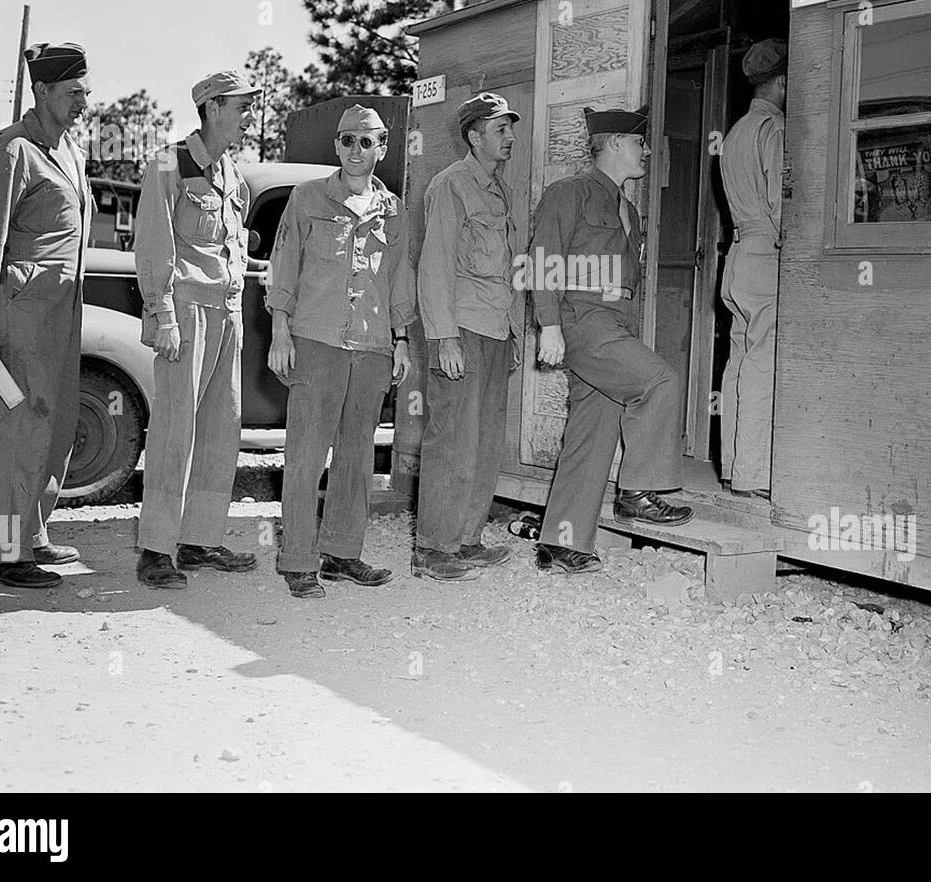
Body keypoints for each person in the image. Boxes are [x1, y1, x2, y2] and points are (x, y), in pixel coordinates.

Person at [0, 44, 93, 588]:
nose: (84, 101)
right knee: (14, 424)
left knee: (52, 426)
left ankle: (31, 533)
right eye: (73, 92)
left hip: (61, 313)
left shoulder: (70, 152)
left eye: (86, 91)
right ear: (43, 92)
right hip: (17, 313)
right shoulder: (13, 150)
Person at [529, 105, 693, 574]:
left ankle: (562, 542)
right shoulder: (569, 194)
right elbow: (542, 259)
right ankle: (637, 492)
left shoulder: (629, 209)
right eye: (640, 143)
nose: (646, 151)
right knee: (659, 380)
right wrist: (551, 325)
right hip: (582, 318)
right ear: (616, 143)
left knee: (593, 427)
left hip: (613, 320)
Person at [265, 105, 415, 599]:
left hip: (371, 345)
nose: (356, 150)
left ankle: (343, 553)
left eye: (366, 141)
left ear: (382, 148)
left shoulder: (392, 210)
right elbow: (284, 264)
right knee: (306, 453)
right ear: (336, 147)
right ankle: (298, 561)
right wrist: (280, 332)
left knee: (357, 455)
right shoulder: (307, 198)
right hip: (316, 340)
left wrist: (400, 341)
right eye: (347, 140)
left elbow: (399, 279)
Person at [133, 70, 259, 589]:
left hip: (227, 309)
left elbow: (236, 248)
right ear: (211, 108)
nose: (249, 117)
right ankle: (156, 549)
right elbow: (154, 243)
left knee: (220, 427)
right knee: (175, 430)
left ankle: (200, 539)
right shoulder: (170, 163)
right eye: (242, 107)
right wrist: (161, 314)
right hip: (185, 311)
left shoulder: (233, 173)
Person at [413, 93, 524, 582]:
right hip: (461, 329)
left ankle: (466, 538)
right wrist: (444, 338)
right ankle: (433, 549)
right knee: (451, 439)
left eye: (509, 129)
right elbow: (433, 265)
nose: (510, 138)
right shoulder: (451, 186)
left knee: (483, 442)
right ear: (474, 135)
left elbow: (505, 271)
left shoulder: (497, 190)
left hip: (495, 331)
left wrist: (514, 332)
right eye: (500, 129)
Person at [719, 39, 789, 499]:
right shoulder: (774, 128)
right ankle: (753, 476)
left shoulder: (736, 131)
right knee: (763, 364)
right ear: (783, 82)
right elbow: (781, 201)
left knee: (738, 361)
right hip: (765, 253)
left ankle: (729, 467)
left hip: (737, 256)